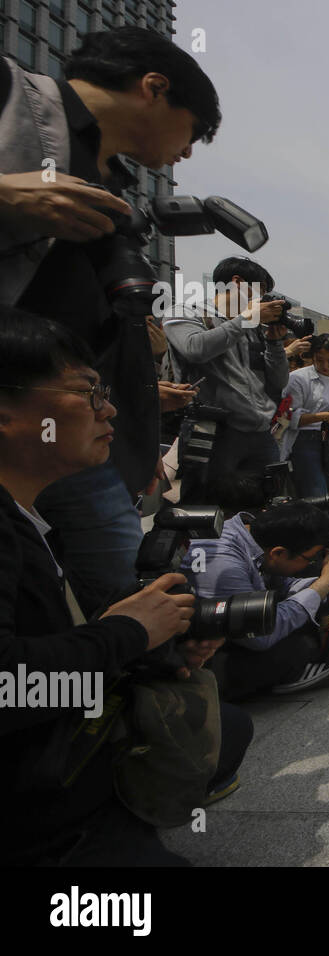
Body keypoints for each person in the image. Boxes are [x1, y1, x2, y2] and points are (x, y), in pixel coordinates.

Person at [0, 307, 248, 866]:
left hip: (53, 757)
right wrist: (129, 632)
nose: (108, 409)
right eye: (87, 392)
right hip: (30, 803)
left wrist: (157, 644)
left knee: (225, 726)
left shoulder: (29, 519)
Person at [2, 28, 221, 614]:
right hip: (12, 410)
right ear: (154, 88)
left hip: (78, 427)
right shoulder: (14, 97)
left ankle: (103, 700)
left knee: (131, 597)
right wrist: (6, 196)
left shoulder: (120, 189)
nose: (189, 152)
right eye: (194, 132)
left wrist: (133, 433)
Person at [185, 501, 329, 698]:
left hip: (237, 624)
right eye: (311, 557)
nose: (313, 561)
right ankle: (288, 673)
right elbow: (260, 636)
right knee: (299, 646)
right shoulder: (225, 565)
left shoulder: (251, 534)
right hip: (208, 654)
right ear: (278, 552)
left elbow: (280, 583)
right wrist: (325, 583)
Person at [163, 256, 289, 497]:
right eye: (260, 291)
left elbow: (279, 382)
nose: (262, 301)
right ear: (237, 283)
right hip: (213, 430)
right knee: (208, 505)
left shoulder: (252, 328)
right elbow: (194, 348)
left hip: (260, 432)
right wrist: (247, 320)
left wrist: (274, 343)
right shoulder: (186, 312)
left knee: (267, 505)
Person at [280, 334, 329, 519]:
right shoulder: (297, 378)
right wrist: (323, 417)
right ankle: (317, 541)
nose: (325, 366)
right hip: (305, 440)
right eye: (319, 360)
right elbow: (287, 417)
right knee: (316, 496)